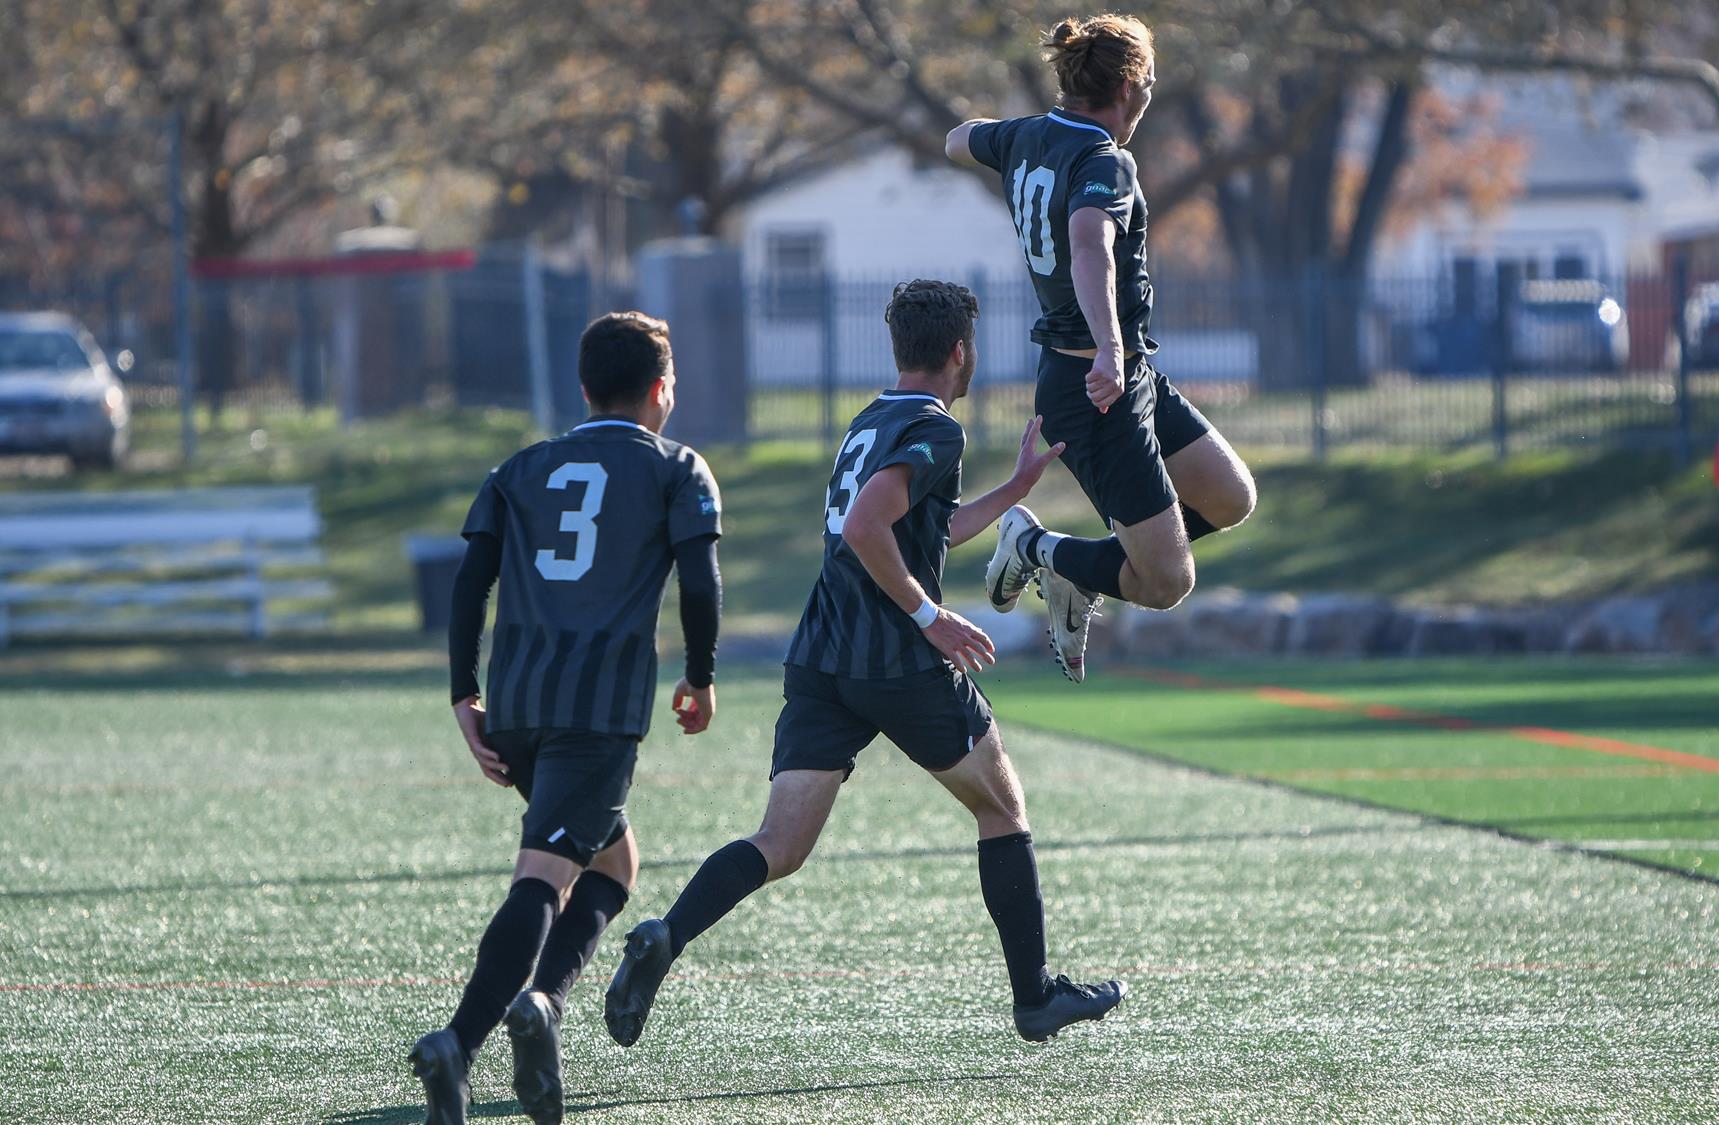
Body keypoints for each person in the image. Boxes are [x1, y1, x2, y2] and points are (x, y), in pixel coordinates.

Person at [602, 279, 1125, 1051]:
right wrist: (930, 616)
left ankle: (666, 934)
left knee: (778, 844)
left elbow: (919, 527)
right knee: (1002, 808)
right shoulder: (936, 427)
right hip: (896, 658)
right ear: (959, 352)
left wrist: (1012, 490)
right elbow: (865, 524)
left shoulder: (871, 419)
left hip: (823, 656)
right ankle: (1034, 996)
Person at [409, 311, 725, 1125]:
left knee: (614, 864)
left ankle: (544, 1000)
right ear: (662, 390)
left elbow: (468, 584)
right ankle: (464, 1038)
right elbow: (700, 581)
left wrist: (461, 694)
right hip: (596, 712)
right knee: (543, 877)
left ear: (584, 390)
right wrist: (700, 675)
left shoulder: (517, 467)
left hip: (514, 703)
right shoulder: (677, 468)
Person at [944, 13, 1258, 683]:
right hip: (1096, 388)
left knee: (1231, 497)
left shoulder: (1029, 135)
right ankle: (1036, 547)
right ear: (1130, 86)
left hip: (1127, 375)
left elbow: (956, 140)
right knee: (1168, 581)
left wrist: (1004, 143)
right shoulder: (1103, 159)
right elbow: (1089, 244)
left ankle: (1066, 563)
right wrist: (1110, 349)